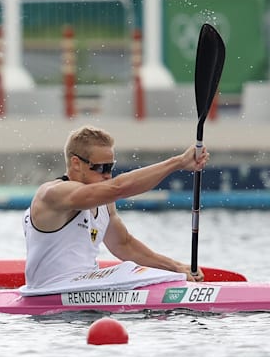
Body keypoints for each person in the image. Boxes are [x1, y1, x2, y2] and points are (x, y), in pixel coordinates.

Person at [21, 125, 209, 296]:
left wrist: (176, 267)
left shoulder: (105, 203)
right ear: (76, 163)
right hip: (48, 290)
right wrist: (178, 163)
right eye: (101, 167)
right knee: (128, 270)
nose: (108, 175)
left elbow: (124, 245)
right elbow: (118, 188)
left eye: (111, 167)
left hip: (85, 288)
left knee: (134, 268)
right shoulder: (52, 194)